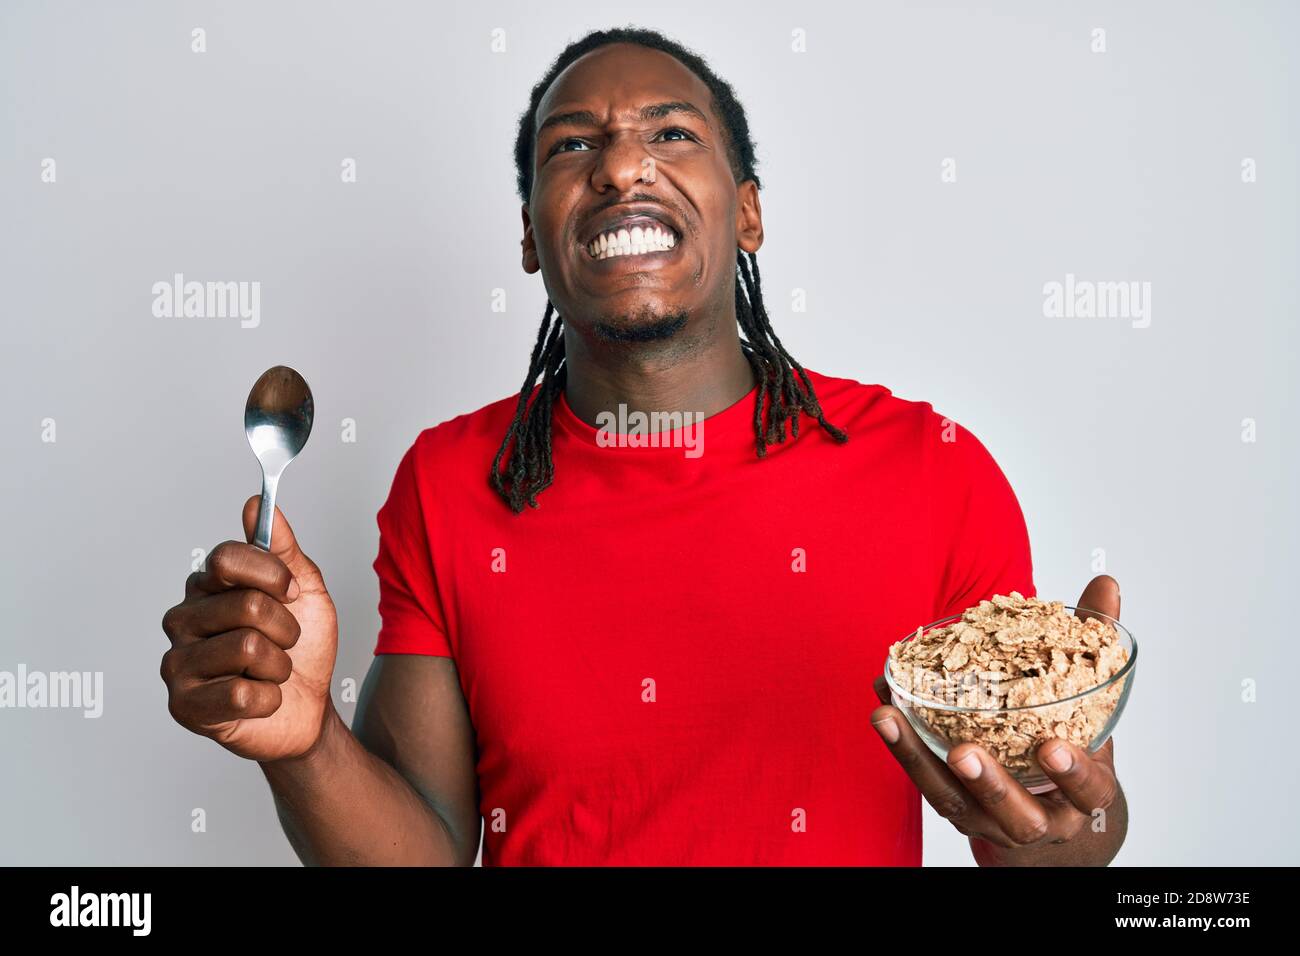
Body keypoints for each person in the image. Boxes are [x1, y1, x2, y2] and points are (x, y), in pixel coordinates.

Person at [160, 27, 1127, 866]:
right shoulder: (449, 483)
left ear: (747, 212)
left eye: (671, 134)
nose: (622, 168)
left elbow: (1036, 832)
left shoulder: (932, 467)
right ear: (532, 237)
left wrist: (1073, 823)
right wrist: (304, 745)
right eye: (572, 145)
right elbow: (424, 850)